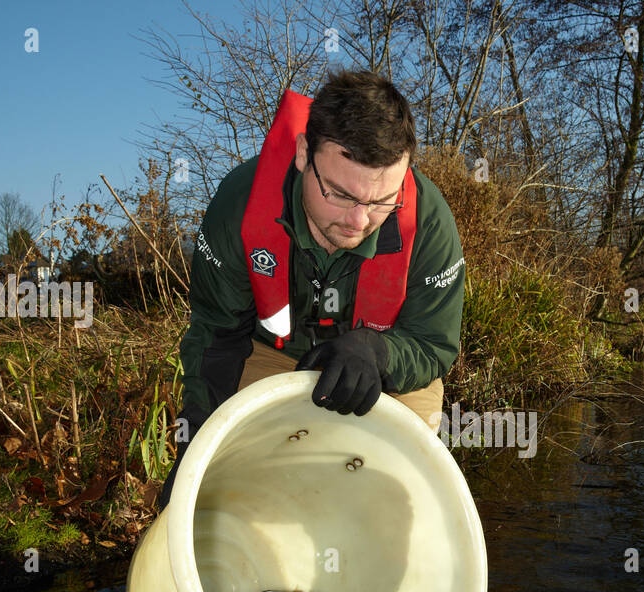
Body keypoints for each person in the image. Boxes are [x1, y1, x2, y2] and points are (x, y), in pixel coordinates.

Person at [157, 70, 465, 510]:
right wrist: (197, 440)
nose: (358, 222)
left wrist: (381, 354)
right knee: (236, 486)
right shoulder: (239, 206)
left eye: (382, 201)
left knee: (398, 495)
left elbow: (433, 344)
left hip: (385, 366)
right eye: (339, 194)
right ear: (304, 154)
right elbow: (215, 337)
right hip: (272, 352)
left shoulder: (430, 224)